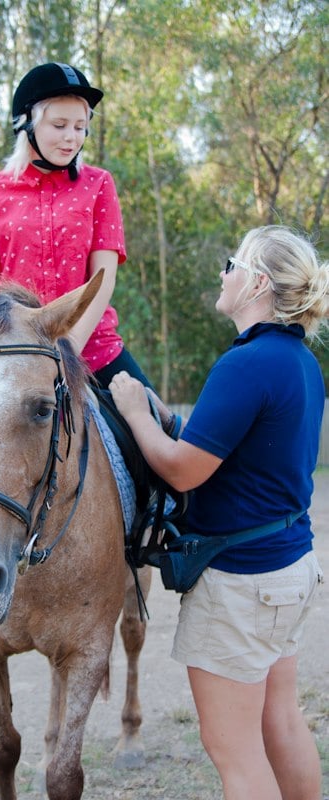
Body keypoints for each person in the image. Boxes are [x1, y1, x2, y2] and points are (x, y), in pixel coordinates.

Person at [0, 62, 155, 606]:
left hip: (90, 345)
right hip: (8, 354)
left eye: (81, 127)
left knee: (154, 426)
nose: (72, 137)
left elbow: (101, 280)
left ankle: (157, 540)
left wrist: (66, 353)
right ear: (28, 125)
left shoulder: (100, 186)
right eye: (61, 124)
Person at [109, 225, 327, 800]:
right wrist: (170, 422)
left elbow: (182, 471)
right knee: (280, 719)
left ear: (257, 281)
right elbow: (238, 454)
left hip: (242, 585)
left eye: (232, 263)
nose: (222, 273)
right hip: (287, 570)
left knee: (232, 749)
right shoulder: (298, 361)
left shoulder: (247, 364)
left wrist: (133, 410)